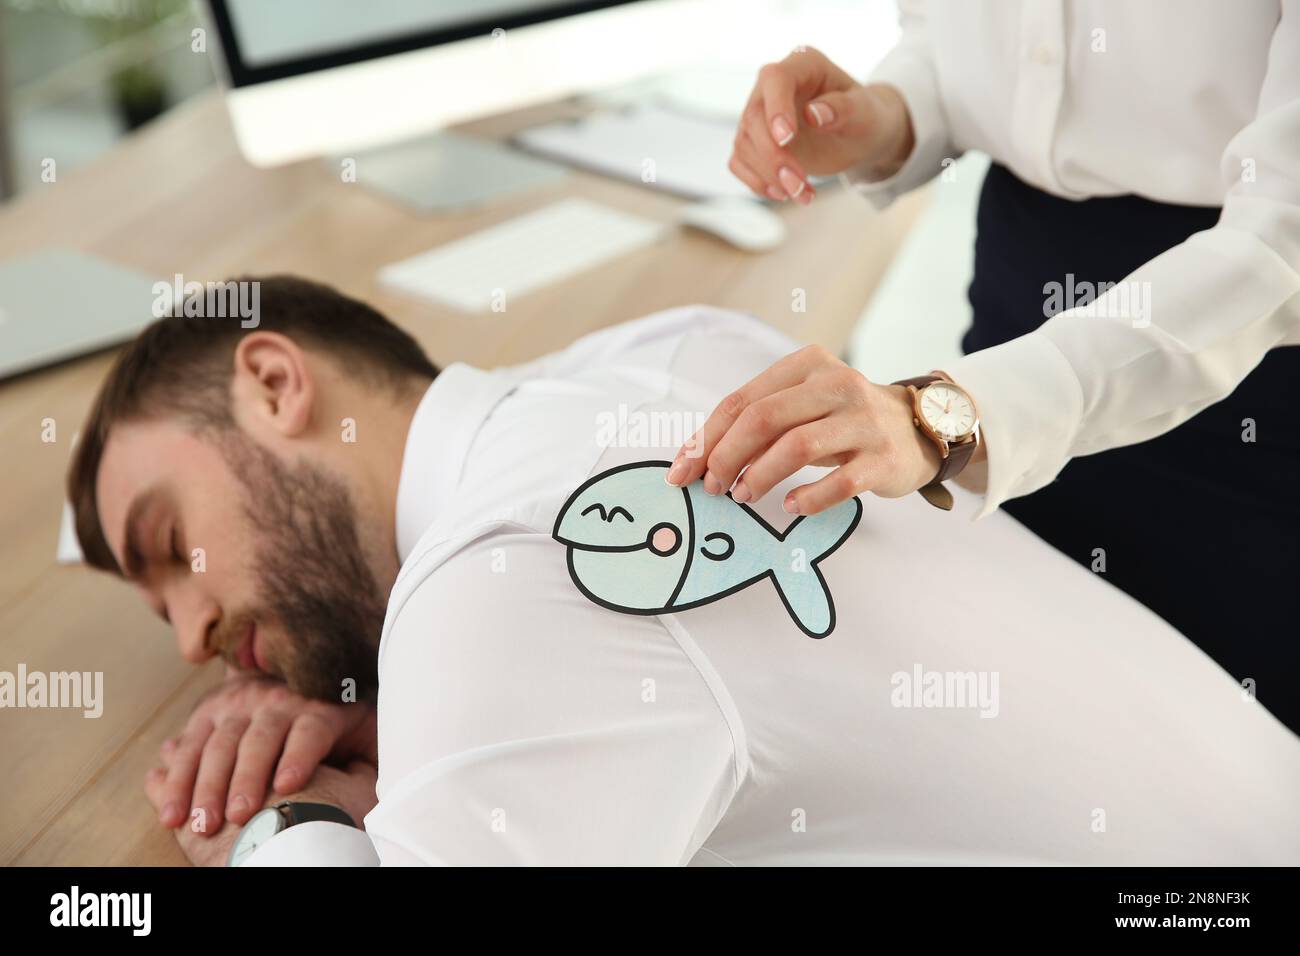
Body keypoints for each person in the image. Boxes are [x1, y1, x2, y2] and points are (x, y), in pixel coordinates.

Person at [69, 278, 1300, 865]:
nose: (188, 636)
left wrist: (279, 828)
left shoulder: (499, 579)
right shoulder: (681, 342)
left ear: (276, 382)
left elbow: (549, 624)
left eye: (167, 547)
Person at [671, 0, 1300, 734]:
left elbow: (1281, 243)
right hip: (1016, 303)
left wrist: (955, 416)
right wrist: (882, 117)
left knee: (1228, 764)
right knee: (1035, 729)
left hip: (1244, 376)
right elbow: (958, 44)